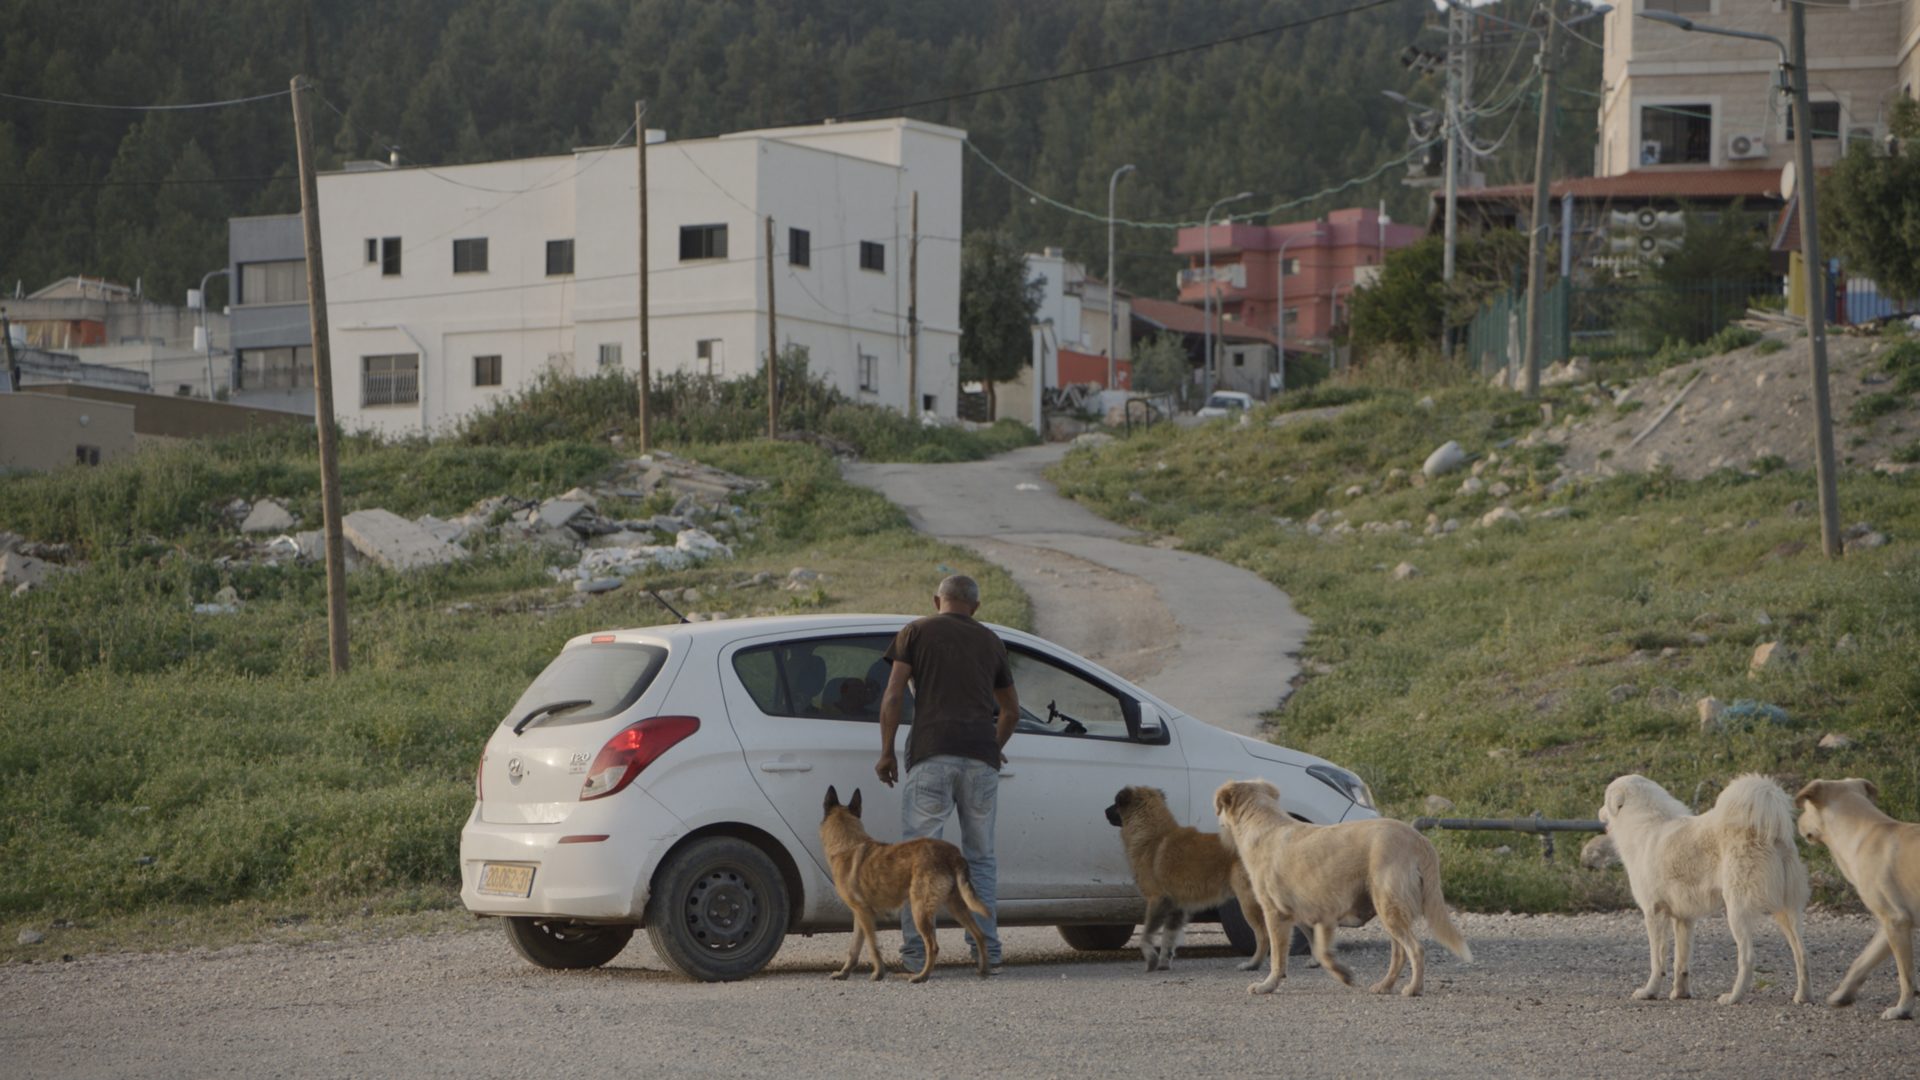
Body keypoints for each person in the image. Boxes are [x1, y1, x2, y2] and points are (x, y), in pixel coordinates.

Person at [875, 573, 1019, 973]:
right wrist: (993, 746)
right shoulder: (991, 641)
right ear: (975, 607)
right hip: (979, 761)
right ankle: (987, 951)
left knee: (920, 860)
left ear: (937, 600)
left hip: (931, 754)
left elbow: (893, 694)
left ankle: (916, 954)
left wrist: (886, 752)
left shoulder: (916, 632)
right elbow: (1010, 711)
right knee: (981, 857)